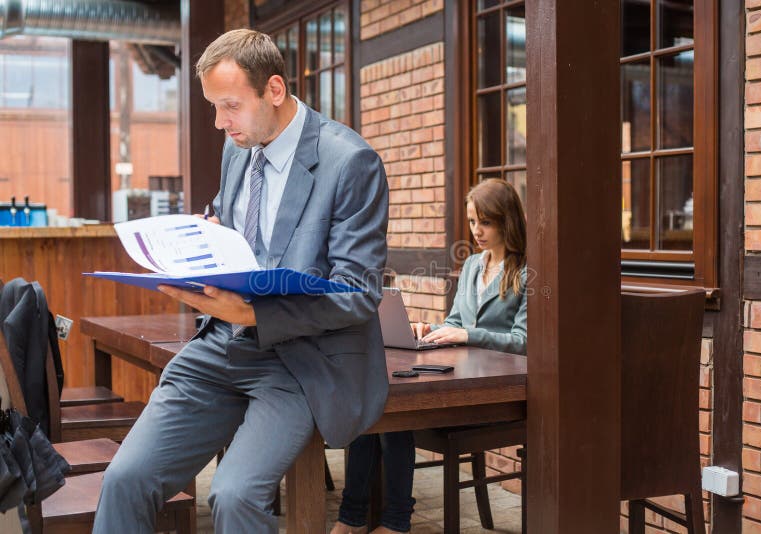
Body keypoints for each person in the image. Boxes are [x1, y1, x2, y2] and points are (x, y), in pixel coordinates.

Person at [93, 29, 389, 534]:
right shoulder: (238, 149)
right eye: (213, 107)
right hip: (220, 347)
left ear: (274, 90)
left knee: (233, 497)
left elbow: (358, 291)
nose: (218, 123)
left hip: (300, 361)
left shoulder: (350, 162)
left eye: (228, 106)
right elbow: (237, 233)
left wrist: (254, 313)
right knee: (124, 477)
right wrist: (203, 245)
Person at [331, 178, 527, 534]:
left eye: (485, 222)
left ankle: (395, 522)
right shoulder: (472, 266)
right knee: (372, 408)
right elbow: (455, 321)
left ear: (506, 220)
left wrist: (468, 333)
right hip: (459, 374)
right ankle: (353, 517)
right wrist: (429, 328)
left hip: (492, 391)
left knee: (396, 414)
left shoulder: (526, 273)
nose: (476, 231)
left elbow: (523, 340)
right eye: (472, 222)